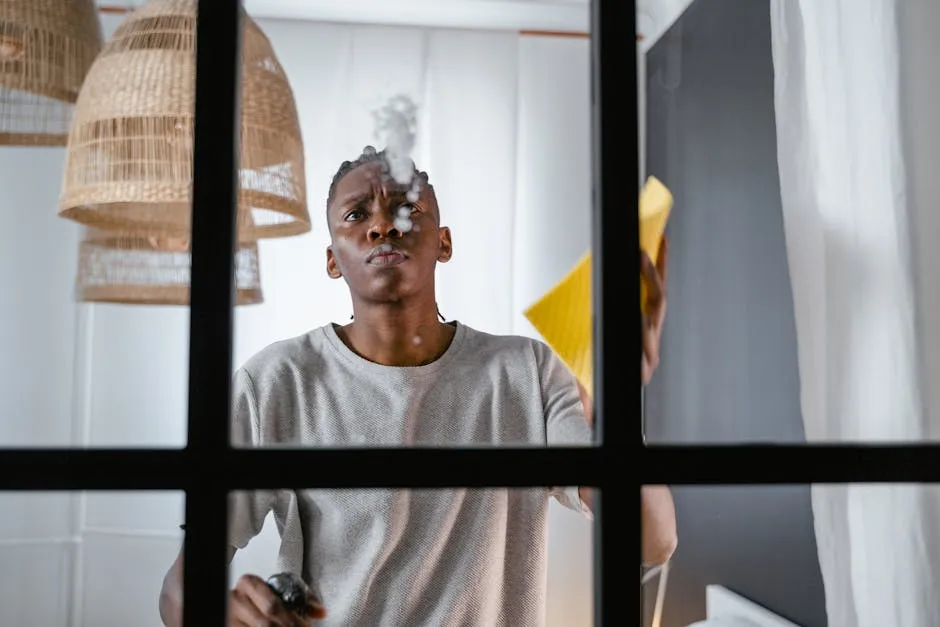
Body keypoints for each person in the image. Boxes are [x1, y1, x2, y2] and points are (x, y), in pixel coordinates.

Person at [158, 147, 675, 626]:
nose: (383, 225)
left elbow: (653, 539)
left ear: (443, 242)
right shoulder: (276, 382)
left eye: (406, 209)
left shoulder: (529, 371)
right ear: (332, 258)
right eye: (357, 215)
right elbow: (178, 592)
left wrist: (620, 403)